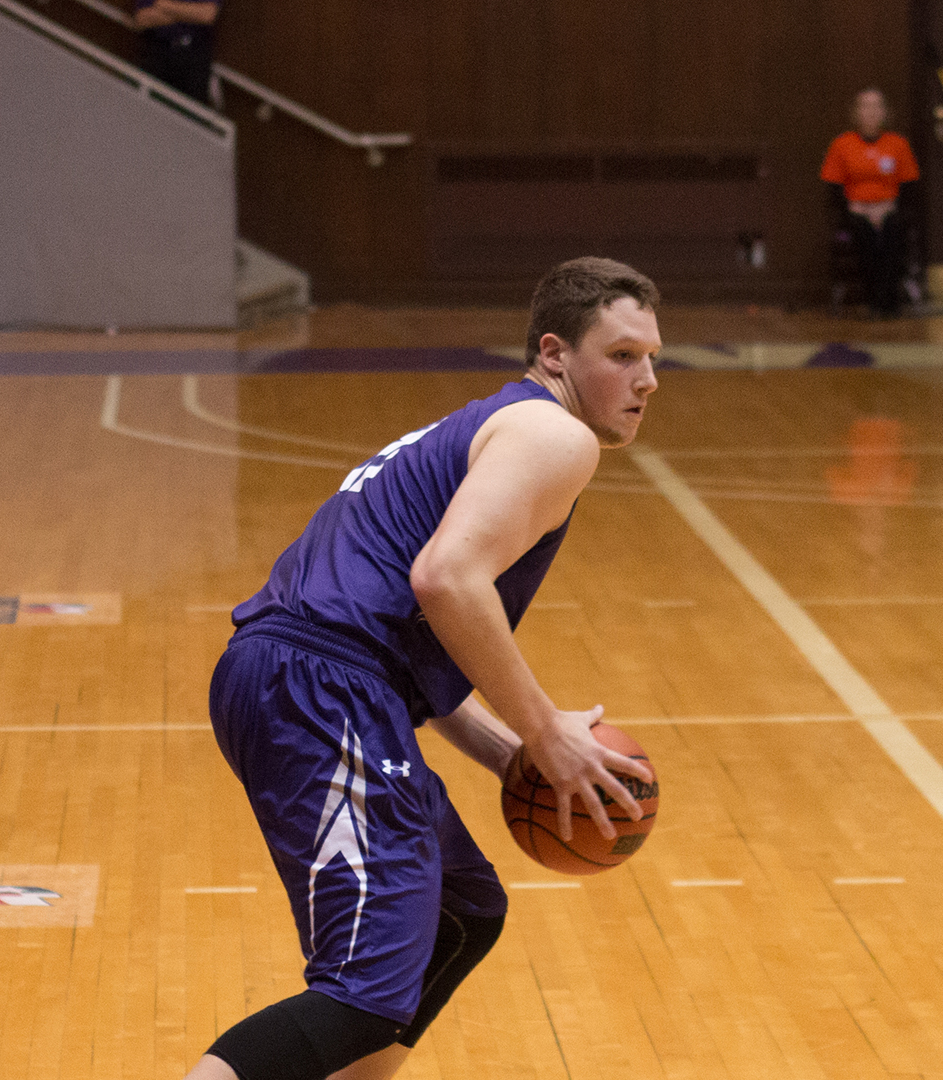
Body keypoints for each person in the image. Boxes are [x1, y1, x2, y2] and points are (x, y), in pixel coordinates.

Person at [190, 256, 660, 1080]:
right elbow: (445, 582)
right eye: (621, 355)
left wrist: (508, 754)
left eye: (653, 357)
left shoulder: (497, 426)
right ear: (554, 354)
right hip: (321, 684)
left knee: (461, 910)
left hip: (315, 676)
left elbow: (416, 636)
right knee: (361, 992)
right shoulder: (556, 435)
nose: (648, 378)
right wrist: (545, 729)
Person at [821, 87, 921, 316]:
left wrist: (886, 209)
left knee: (892, 233)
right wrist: (858, 210)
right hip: (856, 211)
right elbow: (833, 188)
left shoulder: (898, 144)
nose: (871, 112)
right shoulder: (842, 144)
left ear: (885, 112)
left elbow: (908, 186)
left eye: (877, 106)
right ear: (856, 112)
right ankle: (873, 299)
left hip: (888, 209)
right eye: (866, 106)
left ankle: (890, 300)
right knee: (865, 237)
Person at [133, 0, 219, 105]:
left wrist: (163, 5)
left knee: (188, 112)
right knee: (142, 104)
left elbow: (206, 14)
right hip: (157, 51)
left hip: (193, 57)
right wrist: (188, 15)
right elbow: (142, 19)